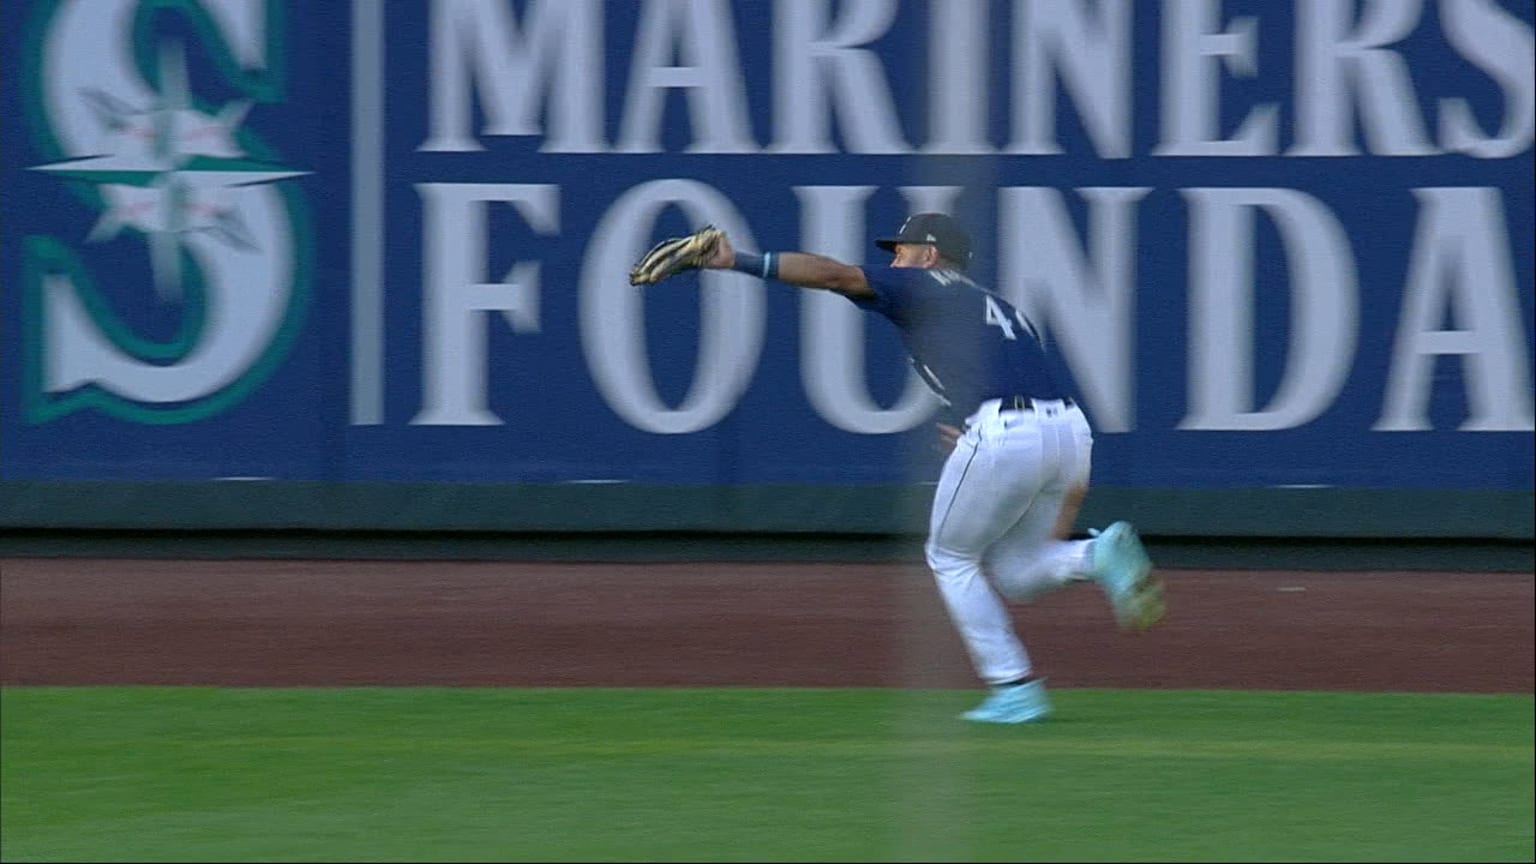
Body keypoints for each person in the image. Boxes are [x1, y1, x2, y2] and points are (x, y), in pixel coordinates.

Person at [699, 212, 1165, 724]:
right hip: (1069, 432)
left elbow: (833, 275)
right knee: (1016, 572)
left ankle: (1014, 687)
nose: (895, 259)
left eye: (904, 249)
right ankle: (1098, 554)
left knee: (949, 557)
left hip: (1008, 432)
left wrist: (736, 260)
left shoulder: (923, 283)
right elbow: (1026, 390)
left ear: (931, 254)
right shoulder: (998, 305)